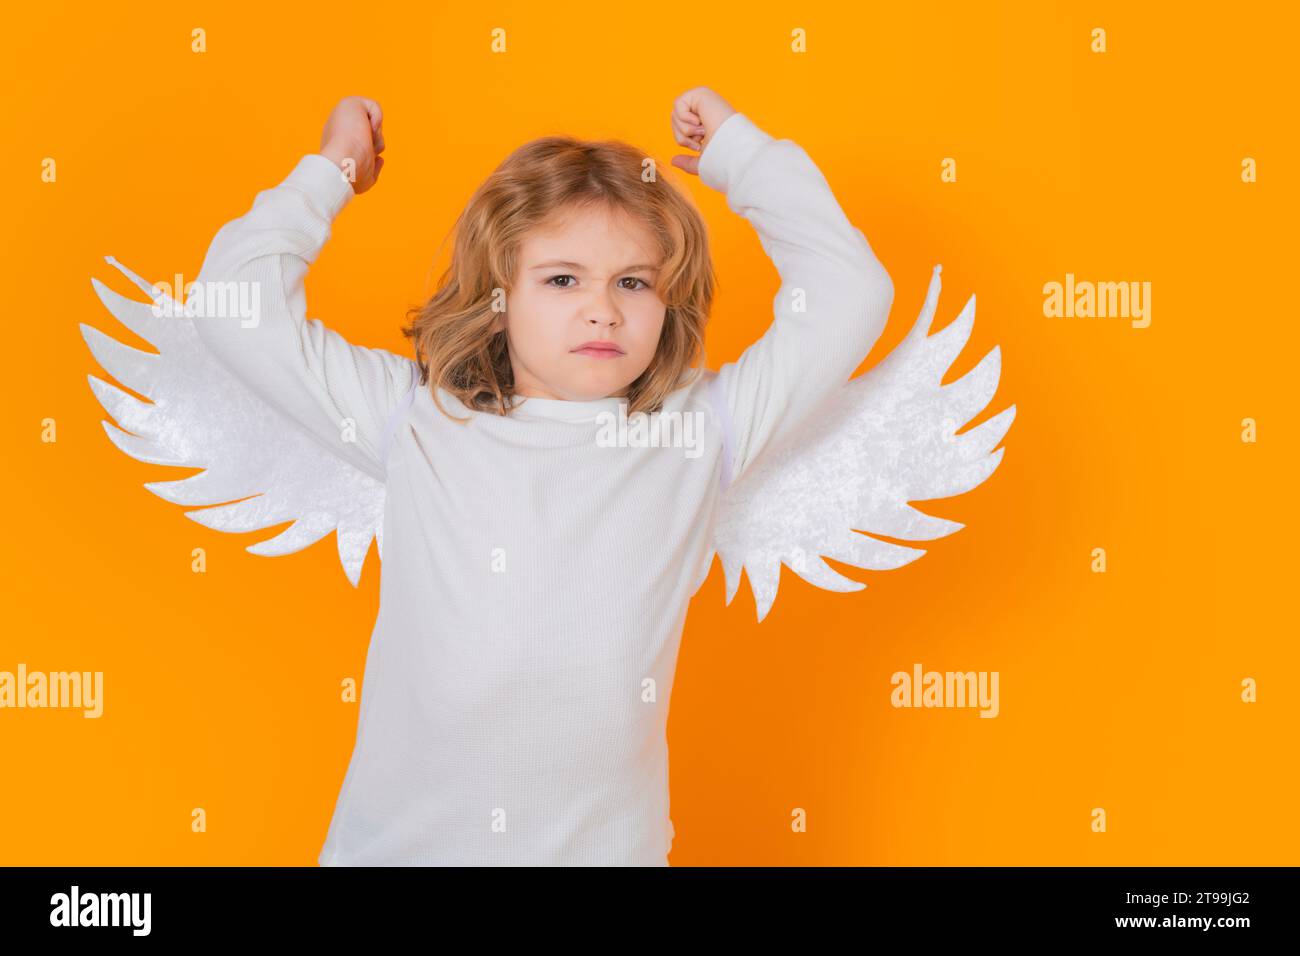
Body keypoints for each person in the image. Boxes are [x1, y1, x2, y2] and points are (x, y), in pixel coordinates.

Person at [188, 87, 895, 865]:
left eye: (633, 282)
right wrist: (331, 170)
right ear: (498, 298)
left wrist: (744, 158)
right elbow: (233, 307)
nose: (602, 310)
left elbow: (850, 293)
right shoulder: (416, 418)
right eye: (563, 280)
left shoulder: (699, 430)